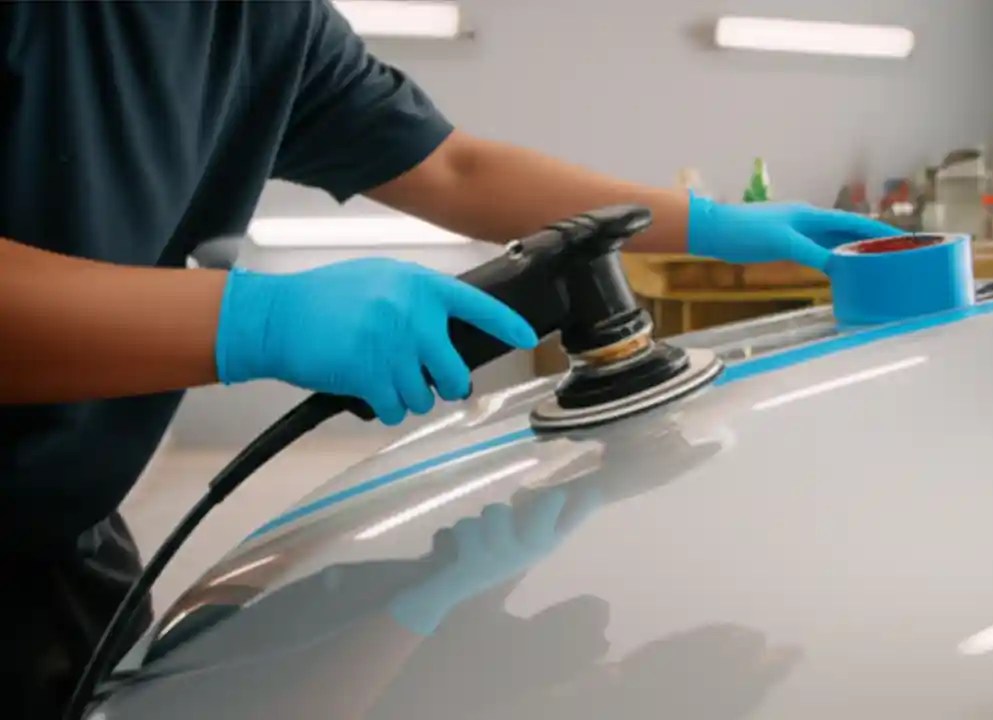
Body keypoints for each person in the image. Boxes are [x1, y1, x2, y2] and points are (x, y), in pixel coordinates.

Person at [0, 1, 898, 716]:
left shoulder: (261, 21)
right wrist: (257, 321)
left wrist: (710, 226)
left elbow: (451, 169)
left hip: (66, 540)